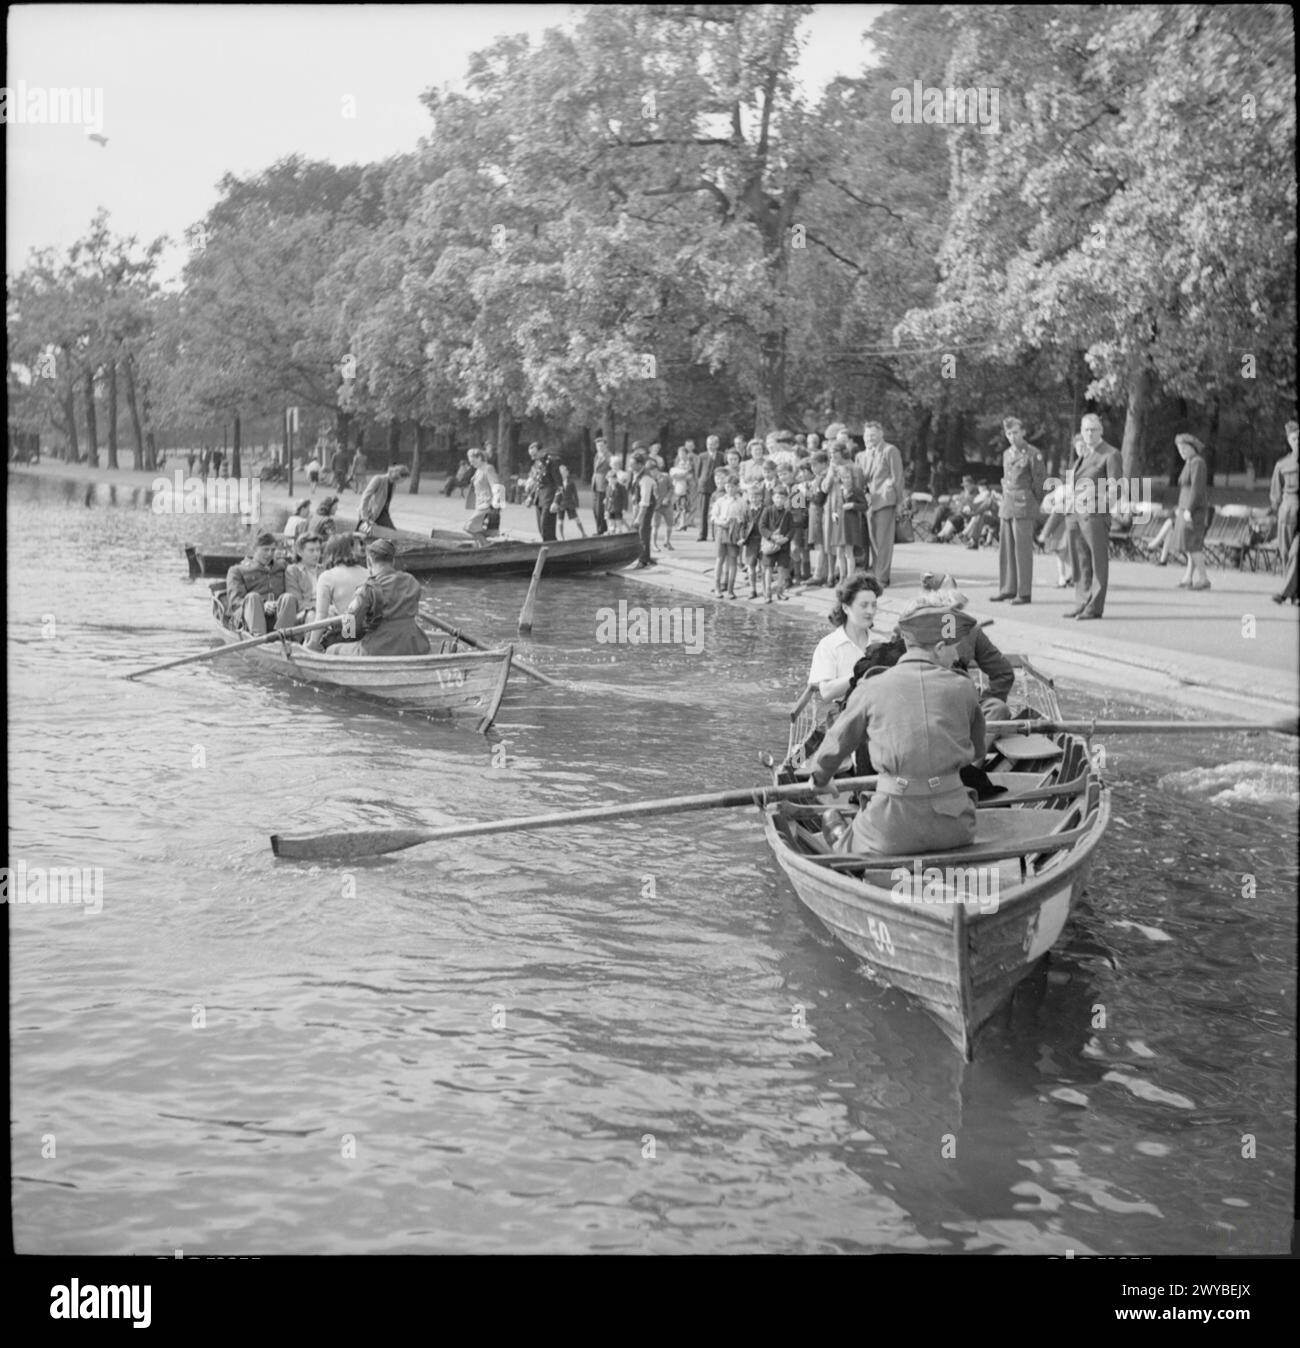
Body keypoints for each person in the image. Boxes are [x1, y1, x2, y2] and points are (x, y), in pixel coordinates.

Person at [803, 593, 986, 856]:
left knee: (837, 830)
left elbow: (834, 742)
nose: (957, 652)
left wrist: (820, 778)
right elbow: (978, 750)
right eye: (953, 645)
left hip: (891, 830)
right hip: (955, 828)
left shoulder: (872, 686)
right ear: (938, 648)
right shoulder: (964, 686)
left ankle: (859, 868)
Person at [329, 538, 432, 657]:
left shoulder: (367, 589)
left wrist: (349, 616)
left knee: (332, 649)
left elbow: (348, 631)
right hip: (414, 646)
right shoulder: (411, 581)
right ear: (393, 561)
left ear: (369, 562)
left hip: (378, 649)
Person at [1064, 413, 1122, 620]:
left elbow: (1115, 489)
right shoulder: (1084, 454)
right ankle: (1081, 601)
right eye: (1086, 429)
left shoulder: (1110, 454)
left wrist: (1098, 509)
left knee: (1097, 562)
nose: (1089, 433)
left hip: (1094, 515)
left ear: (1101, 431)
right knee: (1080, 562)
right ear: (1081, 432)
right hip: (1076, 514)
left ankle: (1094, 606)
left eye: (1094, 429)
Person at [991, 416, 1048, 604]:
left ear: (1022, 431)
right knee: (1006, 549)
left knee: (1022, 550)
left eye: (1015, 432)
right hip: (1007, 504)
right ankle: (1008, 588)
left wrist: (1033, 502)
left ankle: (1024, 592)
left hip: (1024, 504)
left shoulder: (1032, 453)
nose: (1012, 436)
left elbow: (1040, 482)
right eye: (1008, 433)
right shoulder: (1007, 454)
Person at [807, 572, 883, 701]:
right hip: (842, 716)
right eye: (864, 605)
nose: (870, 611)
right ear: (846, 608)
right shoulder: (829, 645)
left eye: (874, 605)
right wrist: (860, 673)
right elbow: (826, 692)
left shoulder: (882, 643)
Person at [857, 422, 906, 587]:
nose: (869, 438)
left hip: (885, 501)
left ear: (881, 434)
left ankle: (882, 577)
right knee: (873, 541)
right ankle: (876, 573)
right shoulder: (862, 455)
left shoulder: (890, 451)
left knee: (883, 541)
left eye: (873, 435)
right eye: (867, 435)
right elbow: (860, 480)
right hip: (869, 502)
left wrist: (899, 502)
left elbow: (897, 477)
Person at [306, 532, 368, 650]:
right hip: (368, 632)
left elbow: (321, 616)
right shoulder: (367, 572)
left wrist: (312, 643)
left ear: (331, 553)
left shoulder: (327, 577)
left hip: (348, 632)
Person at [225, 532, 288, 634]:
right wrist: (262, 605)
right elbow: (235, 602)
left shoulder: (282, 566)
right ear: (255, 549)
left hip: (276, 617)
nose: (269, 554)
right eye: (265, 549)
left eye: (273, 550)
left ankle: (285, 637)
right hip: (247, 619)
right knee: (253, 597)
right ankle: (258, 638)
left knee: (288, 597)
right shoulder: (237, 570)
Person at [1171, 433, 1211, 591]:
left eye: (1184, 448)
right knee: (1189, 545)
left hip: (1193, 510)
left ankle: (1203, 579)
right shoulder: (1189, 462)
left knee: (1193, 545)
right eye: (1179, 449)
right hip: (1185, 508)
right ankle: (1188, 578)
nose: (1181, 451)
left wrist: (1189, 509)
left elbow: (1197, 488)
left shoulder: (1197, 463)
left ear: (1192, 447)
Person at [710, 474, 746, 598]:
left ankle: (730, 589)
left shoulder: (741, 501)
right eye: (727, 486)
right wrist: (722, 522)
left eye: (732, 487)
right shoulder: (720, 500)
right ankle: (717, 587)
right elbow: (714, 517)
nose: (730, 489)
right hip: (721, 531)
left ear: (737, 487)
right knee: (719, 559)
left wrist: (737, 521)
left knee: (733, 560)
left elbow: (745, 517)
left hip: (734, 533)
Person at [1269, 419, 1299, 564]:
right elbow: (1275, 494)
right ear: (1289, 441)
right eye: (1294, 439)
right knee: (1286, 552)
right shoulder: (1282, 465)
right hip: (1289, 512)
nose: (1298, 441)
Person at [758, 485, 795, 602]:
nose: (779, 500)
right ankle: (768, 592)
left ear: (785, 500)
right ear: (773, 498)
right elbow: (762, 526)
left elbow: (792, 529)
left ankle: (780, 591)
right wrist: (771, 536)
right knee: (768, 568)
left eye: (782, 498)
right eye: (777, 497)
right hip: (770, 544)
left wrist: (786, 538)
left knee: (782, 569)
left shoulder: (788, 513)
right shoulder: (767, 510)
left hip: (783, 545)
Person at [282, 532, 324, 628]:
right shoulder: (293, 571)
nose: (316, 554)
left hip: (325, 609)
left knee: (347, 614)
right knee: (312, 616)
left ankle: (349, 639)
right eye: (311, 550)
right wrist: (318, 607)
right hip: (304, 612)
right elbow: (297, 602)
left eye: (318, 550)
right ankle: (311, 642)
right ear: (300, 552)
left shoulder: (324, 569)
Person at [523, 442, 562, 541]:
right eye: (531, 455)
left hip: (549, 498)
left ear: (541, 451)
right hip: (539, 499)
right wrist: (530, 497)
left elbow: (559, 484)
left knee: (546, 526)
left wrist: (556, 501)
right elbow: (537, 482)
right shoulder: (537, 463)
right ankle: (550, 547)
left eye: (534, 454)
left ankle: (551, 549)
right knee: (541, 528)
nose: (533, 457)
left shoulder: (551, 462)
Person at [465, 448, 505, 536]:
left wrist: (496, 504)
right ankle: (482, 545)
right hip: (480, 503)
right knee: (477, 528)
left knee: (470, 526)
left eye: (472, 461)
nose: (471, 464)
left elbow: (496, 486)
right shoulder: (478, 470)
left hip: (487, 504)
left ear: (479, 458)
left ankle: (485, 544)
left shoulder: (488, 468)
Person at [357, 464, 409, 532]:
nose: (403, 482)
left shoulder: (393, 484)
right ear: (398, 476)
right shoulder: (378, 479)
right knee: (360, 536)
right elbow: (366, 496)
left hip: (383, 513)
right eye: (403, 479)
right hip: (370, 513)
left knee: (392, 534)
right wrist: (364, 516)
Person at [629, 453, 658, 568]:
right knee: (643, 531)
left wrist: (638, 518)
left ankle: (643, 560)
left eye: (632, 464)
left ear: (640, 464)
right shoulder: (637, 474)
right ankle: (646, 556)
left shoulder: (645, 478)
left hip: (645, 507)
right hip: (639, 505)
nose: (630, 466)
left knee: (643, 531)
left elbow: (645, 501)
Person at [739, 479, 766, 597]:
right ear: (748, 498)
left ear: (761, 497)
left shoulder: (766, 509)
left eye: (756, 497)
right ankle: (753, 589)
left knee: (765, 565)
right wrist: (742, 537)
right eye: (752, 497)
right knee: (751, 566)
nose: (754, 499)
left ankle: (765, 589)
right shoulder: (746, 510)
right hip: (751, 541)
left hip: (763, 540)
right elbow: (742, 526)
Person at [695, 435, 723, 542]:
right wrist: (701, 482)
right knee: (703, 511)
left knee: (716, 511)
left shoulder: (721, 456)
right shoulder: (702, 456)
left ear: (717, 445)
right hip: (704, 487)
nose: (711, 446)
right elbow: (697, 472)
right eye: (709, 444)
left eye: (713, 444)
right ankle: (702, 534)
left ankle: (715, 535)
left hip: (717, 486)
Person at [551, 463, 586, 539]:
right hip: (560, 504)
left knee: (576, 518)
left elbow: (575, 494)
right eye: (561, 473)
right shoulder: (557, 483)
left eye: (564, 472)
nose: (563, 474)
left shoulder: (571, 483)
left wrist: (577, 503)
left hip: (570, 504)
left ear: (567, 473)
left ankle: (583, 533)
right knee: (560, 520)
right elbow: (555, 494)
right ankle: (562, 536)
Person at [652, 457, 676, 550]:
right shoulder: (649, 479)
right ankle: (654, 544)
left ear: (656, 469)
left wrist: (667, 497)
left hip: (666, 504)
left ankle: (667, 541)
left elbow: (671, 488)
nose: (652, 473)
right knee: (655, 525)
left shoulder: (665, 476)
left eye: (653, 470)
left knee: (670, 524)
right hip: (656, 506)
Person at [591, 435, 612, 535]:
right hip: (595, 483)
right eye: (598, 446)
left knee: (600, 509)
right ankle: (599, 529)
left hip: (603, 485)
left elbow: (612, 471)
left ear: (606, 446)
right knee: (594, 509)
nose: (599, 448)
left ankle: (601, 530)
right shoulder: (597, 455)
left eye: (601, 446)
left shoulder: (609, 457)